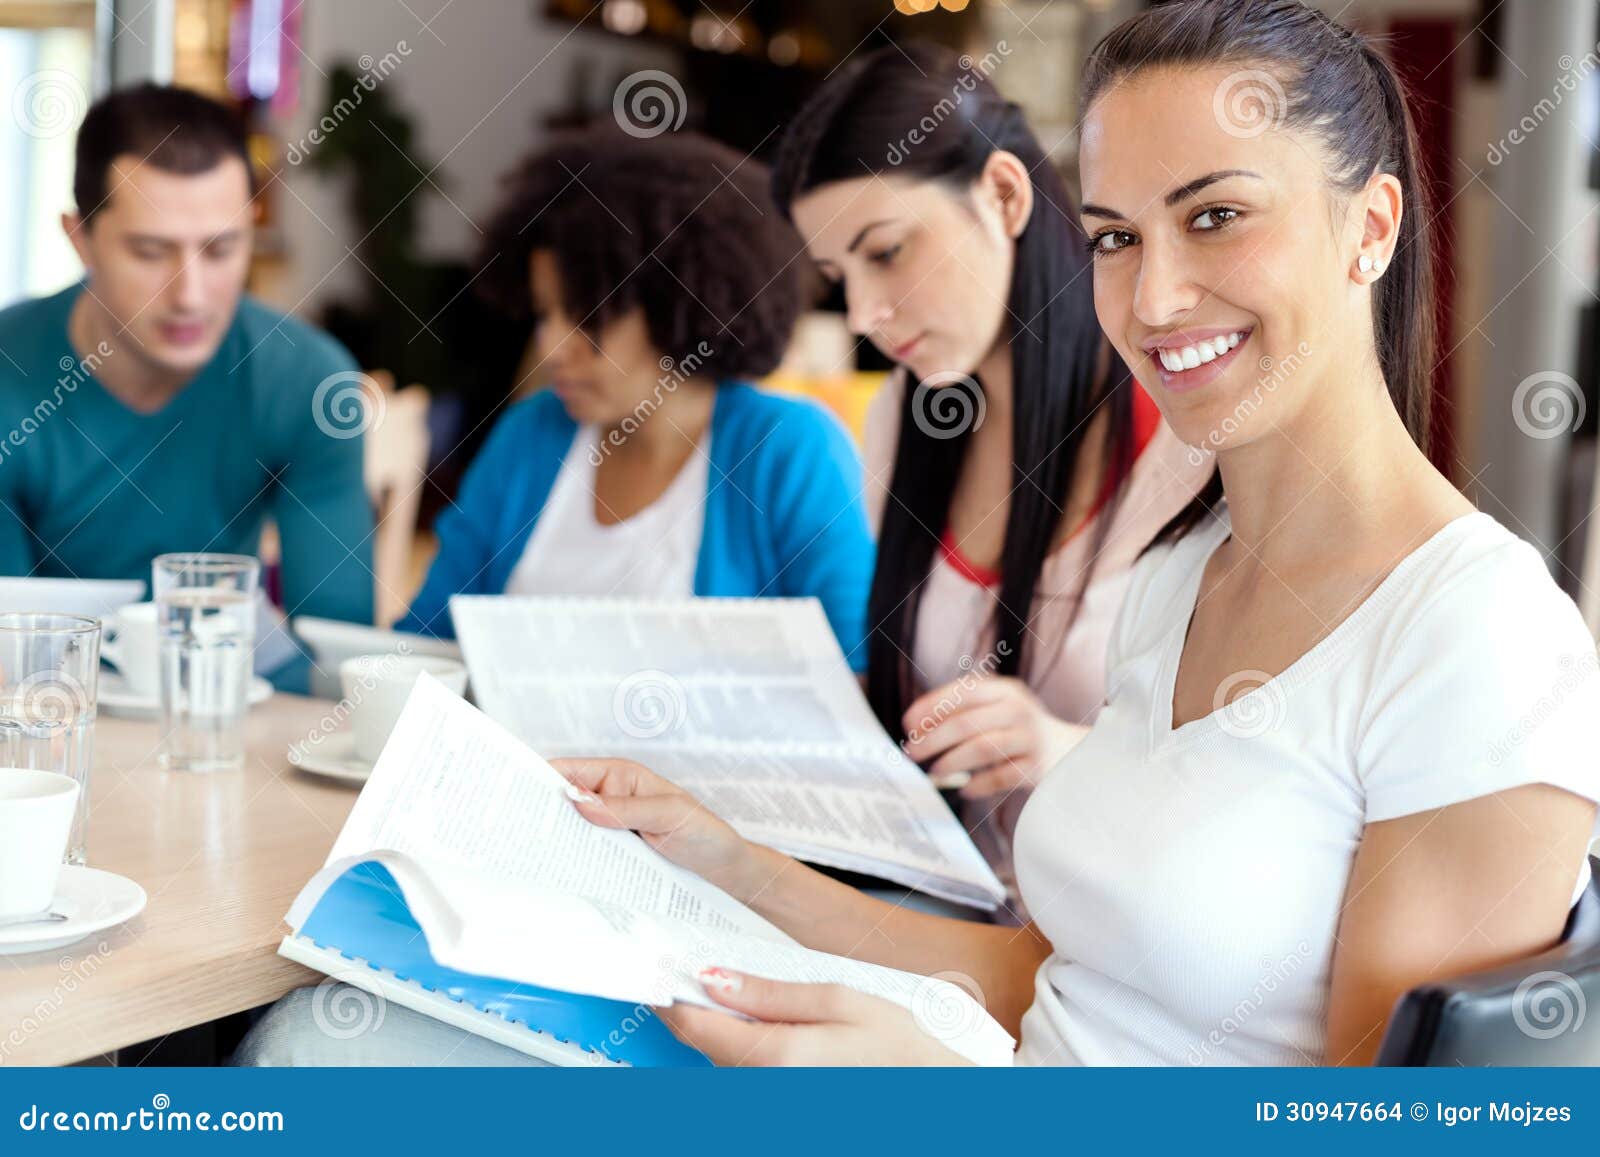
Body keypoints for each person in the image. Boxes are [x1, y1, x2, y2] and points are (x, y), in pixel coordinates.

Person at [234, 0, 1599, 1069]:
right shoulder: (1186, 574)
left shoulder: (1476, 633)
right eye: (1117, 234)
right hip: (963, 1062)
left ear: (1370, 228)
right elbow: (1041, 975)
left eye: (1220, 216)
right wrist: (728, 859)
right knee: (313, 1039)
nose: (1156, 290)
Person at [769, 44, 1209, 906]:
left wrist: (1064, 750)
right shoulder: (907, 414)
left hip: (1116, 936)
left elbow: (1257, 788)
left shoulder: (1191, 434)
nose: (864, 313)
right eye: (837, 279)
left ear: (1004, 194)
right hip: (950, 908)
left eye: (887, 252)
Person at [394, 127, 873, 662]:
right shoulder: (530, 434)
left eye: (586, 317)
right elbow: (426, 641)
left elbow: (859, 673)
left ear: (680, 308)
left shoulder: (789, 450)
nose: (552, 347)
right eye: (545, 313)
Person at [0, 84, 374, 644]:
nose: (191, 296)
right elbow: (9, 654)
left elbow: (336, 645)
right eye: (151, 252)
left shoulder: (309, 383)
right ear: (79, 239)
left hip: (223, 705)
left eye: (221, 250)